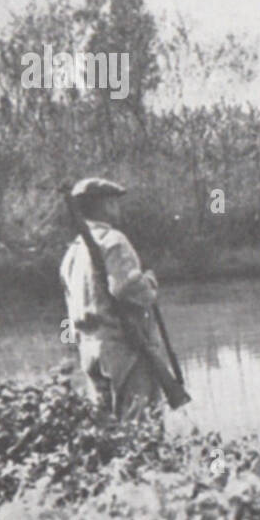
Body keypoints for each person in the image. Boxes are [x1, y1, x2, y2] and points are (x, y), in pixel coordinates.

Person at [59, 177, 163, 420]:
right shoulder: (113, 240)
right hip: (123, 349)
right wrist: (150, 283)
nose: (117, 209)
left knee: (106, 425)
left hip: (90, 350)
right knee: (141, 425)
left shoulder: (72, 251)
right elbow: (126, 289)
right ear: (104, 205)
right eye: (114, 203)